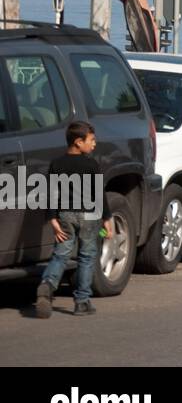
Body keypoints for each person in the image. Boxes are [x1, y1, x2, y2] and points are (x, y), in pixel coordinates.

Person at [34, 121, 112, 318]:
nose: (94, 144)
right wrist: (107, 219)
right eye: (91, 140)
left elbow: (51, 193)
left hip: (65, 215)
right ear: (79, 142)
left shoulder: (57, 164)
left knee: (61, 254)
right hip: (88, 216)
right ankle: (82, 302)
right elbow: (99, 195)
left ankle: (47, 284)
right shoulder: (91, 164)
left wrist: (52, 219)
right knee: (86, 257)